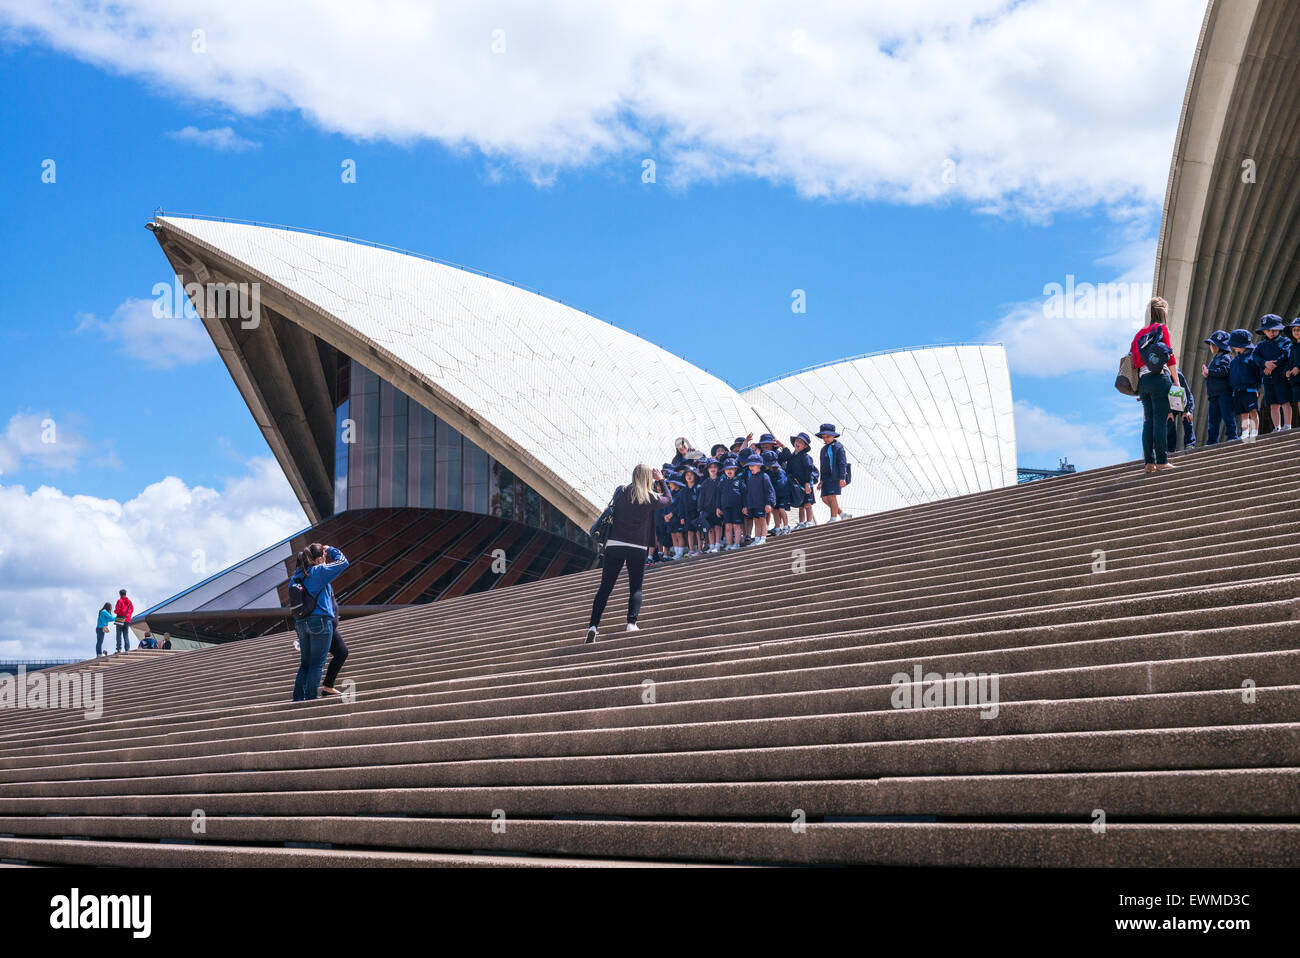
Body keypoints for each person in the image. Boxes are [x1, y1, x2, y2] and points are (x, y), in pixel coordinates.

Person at [585, 464, 672, 643]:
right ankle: (631, 623)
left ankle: (593, 626)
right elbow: (668, 499)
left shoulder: (621, 491)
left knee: (605, 588)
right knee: (636, 587)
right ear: (648, 478)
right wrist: (661, 480)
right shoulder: (650, 497)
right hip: (637, 547)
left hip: (615, 544)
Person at [290, 542, 350, 701]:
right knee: (317, 664)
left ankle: (298, 698)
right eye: (323, 557)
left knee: (306, 664)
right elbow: (343, 562)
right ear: (317, 559)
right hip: (319, 622)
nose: (326, 559)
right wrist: (330, 549)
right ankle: (310, 699)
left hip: (301, 623)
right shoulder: (317, 571)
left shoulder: (296, 577)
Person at [1131, 298, 1178, 473]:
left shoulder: (1138, 335)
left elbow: (1135, 362)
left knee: (1148, 421)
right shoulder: (1161, 329)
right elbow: (1170, 357)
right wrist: (1176, 380)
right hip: (1160, 378)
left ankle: (1149, 463)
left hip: (1143, 382)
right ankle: (1162, 461)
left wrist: (1139, 386)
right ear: (1163, 312)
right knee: (1160, 420)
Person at [1253, 315, 1293, 432]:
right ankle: (1277, 427)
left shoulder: (1285, 342)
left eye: (1274, 330)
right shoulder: (1261, 345)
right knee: (1273, 404)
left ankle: (1287, 425)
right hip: (1267, 378)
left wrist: (1273, 364)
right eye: (1268, 330)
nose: (1271, 332)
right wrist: (1265, 363)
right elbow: (1255, 357)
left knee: (1285, 401)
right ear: (1264, 331)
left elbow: (1286, 354)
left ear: (1279, 329)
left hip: (1281, 376)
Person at [1201, 330, 1237, 445]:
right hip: (1213, 395)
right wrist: (1207, 375)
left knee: (1228, 417)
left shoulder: (1226, 358)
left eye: (1212, 344)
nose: (1211, 346)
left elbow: (1224, 371)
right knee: (1213, 420)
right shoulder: (1214, 359)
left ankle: (1232, 436)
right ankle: (1211, 441)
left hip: (1224, 394)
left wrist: (1209, 372)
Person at [1228, 328, 1263, 441]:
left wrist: (1257, 387)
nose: (1233, 347)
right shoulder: (1234, 360)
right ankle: (1245, 432)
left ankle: (1254, 431)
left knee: (1252, 410)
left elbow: (1258, 374)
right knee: (1243, 412)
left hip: (1250, 389)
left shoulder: (1252, 357)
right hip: (1238, 390)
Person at [816, 424, 851, 520]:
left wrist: (842, 477)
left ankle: (833, 518)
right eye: (823, 437)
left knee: (832, 496)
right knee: (824, 498)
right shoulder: (823, 449)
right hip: (826, 478)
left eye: (827, 437)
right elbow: (822, 466)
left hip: (835, 476)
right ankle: (842, 514)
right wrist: (821, 480)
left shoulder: (838, 447)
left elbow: (842, 463)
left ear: (833, 436)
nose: (825, 439)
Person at [741, 452, 775, 545]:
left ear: (759, 465)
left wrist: (768, 503)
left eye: (753, 465)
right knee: (756, 521)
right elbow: (749, 493)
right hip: (753, 504)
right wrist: (747, 506)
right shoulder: (751, 478)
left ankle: (763, 538)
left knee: (762, 520)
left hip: (762, 503)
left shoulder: (764, 476)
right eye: (749, 465)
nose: (750, 467)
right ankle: (756, 539)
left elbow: (769, 490)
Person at [717, 457, 747, 551]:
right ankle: (729, 544)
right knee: (728, 526)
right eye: (727, 469)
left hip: (737, 507)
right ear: (724, 471)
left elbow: (745, 495)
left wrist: (745, 506)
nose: (729, 471)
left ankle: (737, 543)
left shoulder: (740, 481)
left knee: (736, 526)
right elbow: (718, 496)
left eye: (731, 468)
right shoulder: (722, 482)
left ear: (735, 469)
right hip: (725, 508)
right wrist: (718, 507)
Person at [696, 458, 723, 554]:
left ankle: (717, 545)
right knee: (710, 528)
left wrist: (720, 507)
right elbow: (701, 497)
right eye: (710, 467)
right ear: (707, 469)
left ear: (718, 469)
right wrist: (700, 509)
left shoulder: (721, 481)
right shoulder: (704, 483)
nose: (713, 469)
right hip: (707, 509)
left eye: (715, 467)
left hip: (717, 508)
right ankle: (711, 546)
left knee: (717, 526)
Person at [763, 450, 793, 536]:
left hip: (783, 495)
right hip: (775, 495)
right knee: (775, 510)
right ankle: (777, 527)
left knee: (781, 509)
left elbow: (782, 484)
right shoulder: (768, 472)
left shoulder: (780, 471)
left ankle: (786, 526)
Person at [1165, 368, 1195, 454]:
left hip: (1184, 402)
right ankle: (1170, 449)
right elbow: (1162, 398)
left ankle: (1190, 444)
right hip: (1170, 404)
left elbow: (1188, 394)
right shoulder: (1162, 380)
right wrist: (1168, 412)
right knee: (1169, 421)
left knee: (1187, 419)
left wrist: (1187, 410)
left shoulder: (1178, 375)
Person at [113, 589, 133, 653]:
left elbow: (117, 610)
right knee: (126, 634)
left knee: (118, 635)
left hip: (120, 619)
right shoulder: (130, 602)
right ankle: (127, 649)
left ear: (120, 594)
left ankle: (119, 649)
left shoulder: (119, 601)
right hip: (127, 620)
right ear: (125, 594)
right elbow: (132, 610)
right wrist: (128, 616)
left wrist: (115, 611)